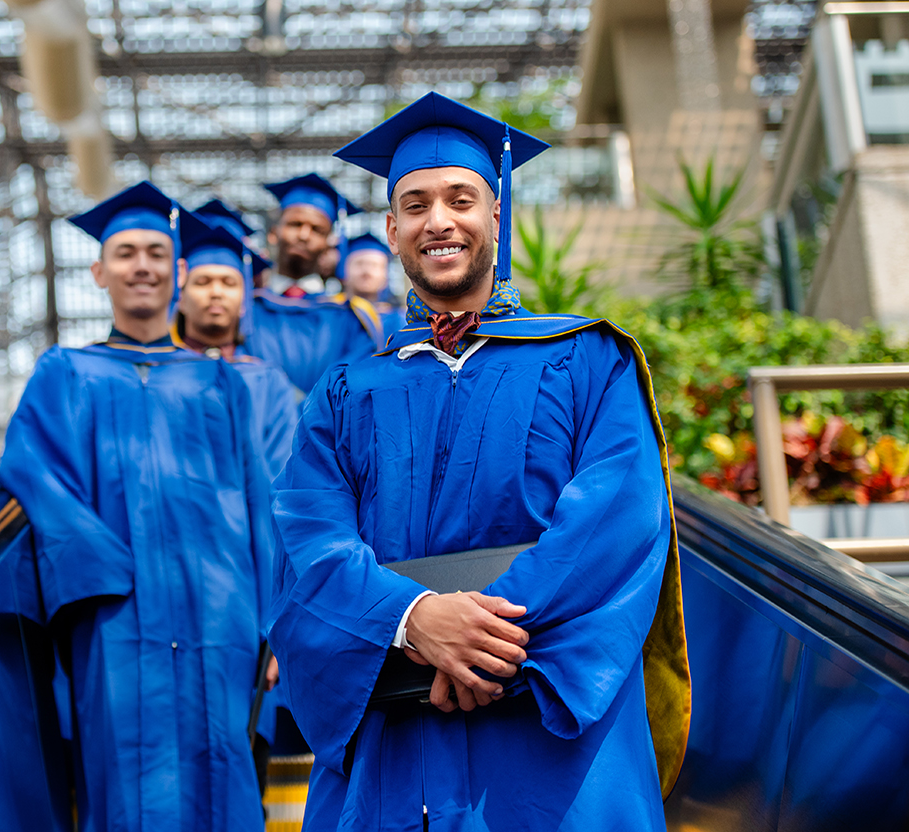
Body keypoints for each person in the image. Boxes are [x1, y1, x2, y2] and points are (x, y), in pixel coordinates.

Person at [268, 92, 691, 831]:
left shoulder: (591, 360)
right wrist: (411, 620)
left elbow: (615, 528)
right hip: (398, 750)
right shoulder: (344, 393)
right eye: (416, 203)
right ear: (393, 228)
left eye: (461, 199)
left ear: (496, 216)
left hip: (550, 739)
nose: (440, 220)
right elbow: (308, 545)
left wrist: (483, 645)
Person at [0, 181, 276, 832]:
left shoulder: (219, 381)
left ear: (178, 271)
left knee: (225, 764)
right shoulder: (65, 373)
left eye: (156, 252)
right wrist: (105, 572)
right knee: (123, 775)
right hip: (116, 619)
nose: (142, 265)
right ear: (99, 272)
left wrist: (272, 619)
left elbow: (261, 503)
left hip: (221, 614)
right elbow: (29, 472)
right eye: (125, 253)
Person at [175, 211, 300, 478]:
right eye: (202, 281)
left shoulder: (267, 380)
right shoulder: (158, 373)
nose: (216, 292)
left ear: (245, 301)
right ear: (180, 299)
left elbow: (282, 471)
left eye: (229, 283)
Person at [243, 174, 384, 394]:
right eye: (295, 224)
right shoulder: (245, 311)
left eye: (317, 230)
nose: (304, 235)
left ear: (329, 243)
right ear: (273, 233)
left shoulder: (352, 318)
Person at [341, 232, 406, 337]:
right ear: (344, 270)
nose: (367, 272)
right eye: (359, 264)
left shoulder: (400, 321)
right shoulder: (329, 316)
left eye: (374, 266)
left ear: (385, 275)